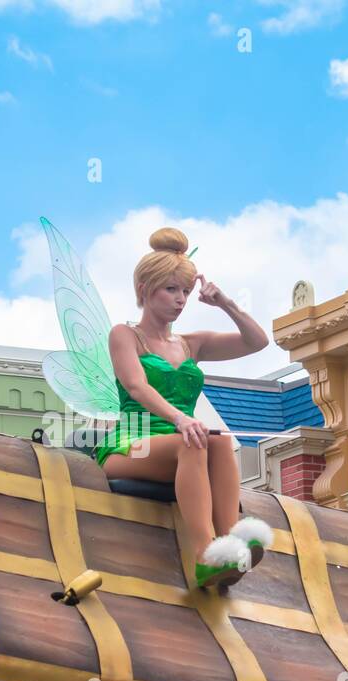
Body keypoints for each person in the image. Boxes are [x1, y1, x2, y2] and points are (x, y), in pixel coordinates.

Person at [95, 227, 273, 588]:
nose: (181, 299)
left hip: (183, 442)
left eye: (187, 291)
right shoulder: (125, 335)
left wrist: (225, 303)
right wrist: (179, 418)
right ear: (145, 289)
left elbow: (258, 342)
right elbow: (136, 385)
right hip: (133, 443)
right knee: (196, 441)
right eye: (171, 289)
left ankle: (231, 546)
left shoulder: (192, 344)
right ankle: (205, 554)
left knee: (219, 441)